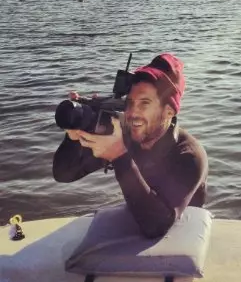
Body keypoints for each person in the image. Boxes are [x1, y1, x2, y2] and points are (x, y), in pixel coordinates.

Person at [53, 53, 208, 238]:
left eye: (144, 103)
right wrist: (74, 138)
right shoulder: (128, 137)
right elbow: (64, 174)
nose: (132, 113)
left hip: (181, 235)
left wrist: (119, 157)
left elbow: (157, 226)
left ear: (168, 112)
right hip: (140, 221)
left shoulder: (189, 155)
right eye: (130, 102)